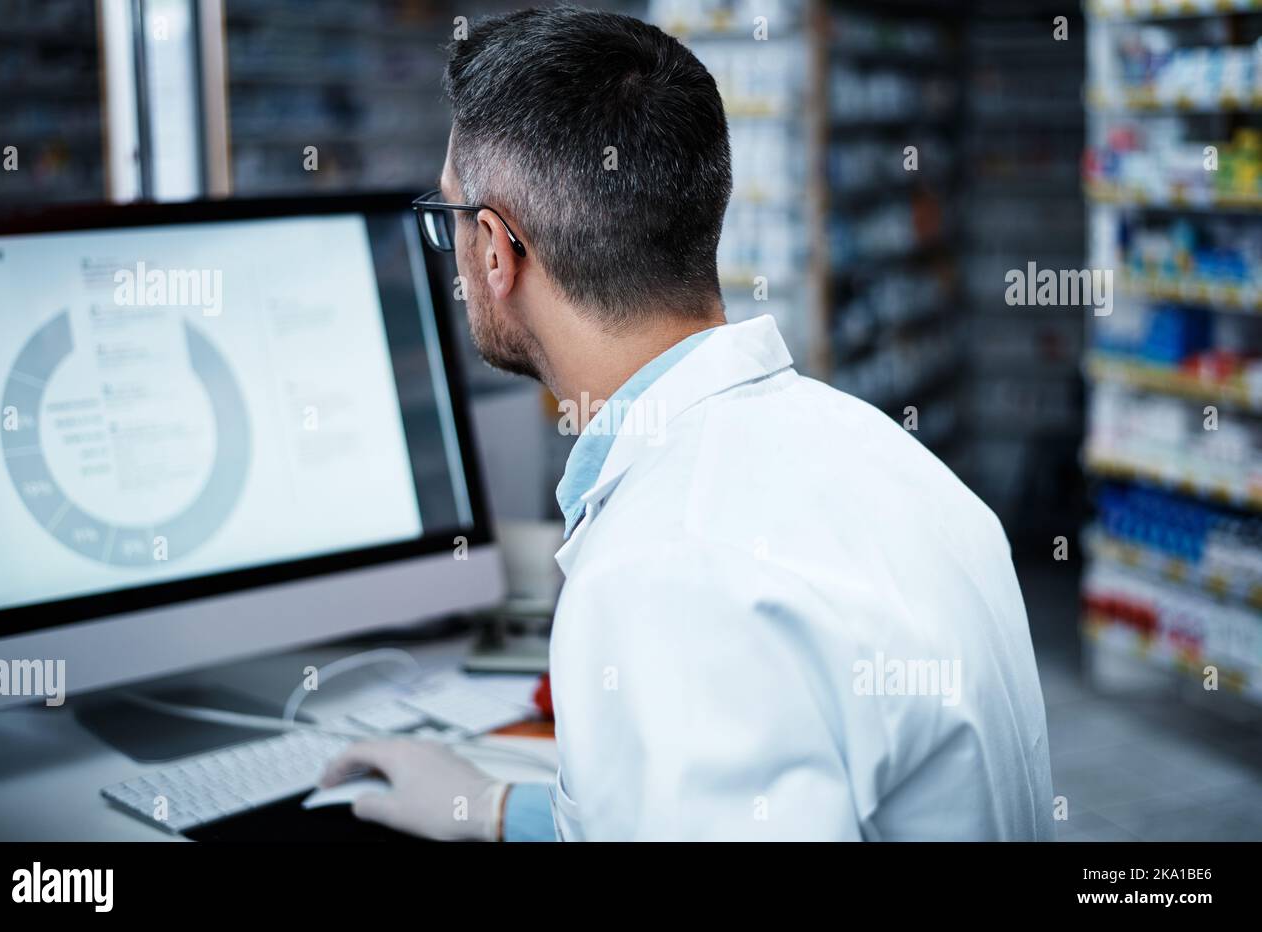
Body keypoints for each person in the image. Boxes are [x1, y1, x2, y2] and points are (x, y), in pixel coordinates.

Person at [319, 7, 1055, 842]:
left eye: (446, 217)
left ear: (496, 251)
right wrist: (491, 809)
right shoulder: (889, 458)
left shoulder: (666, 570)